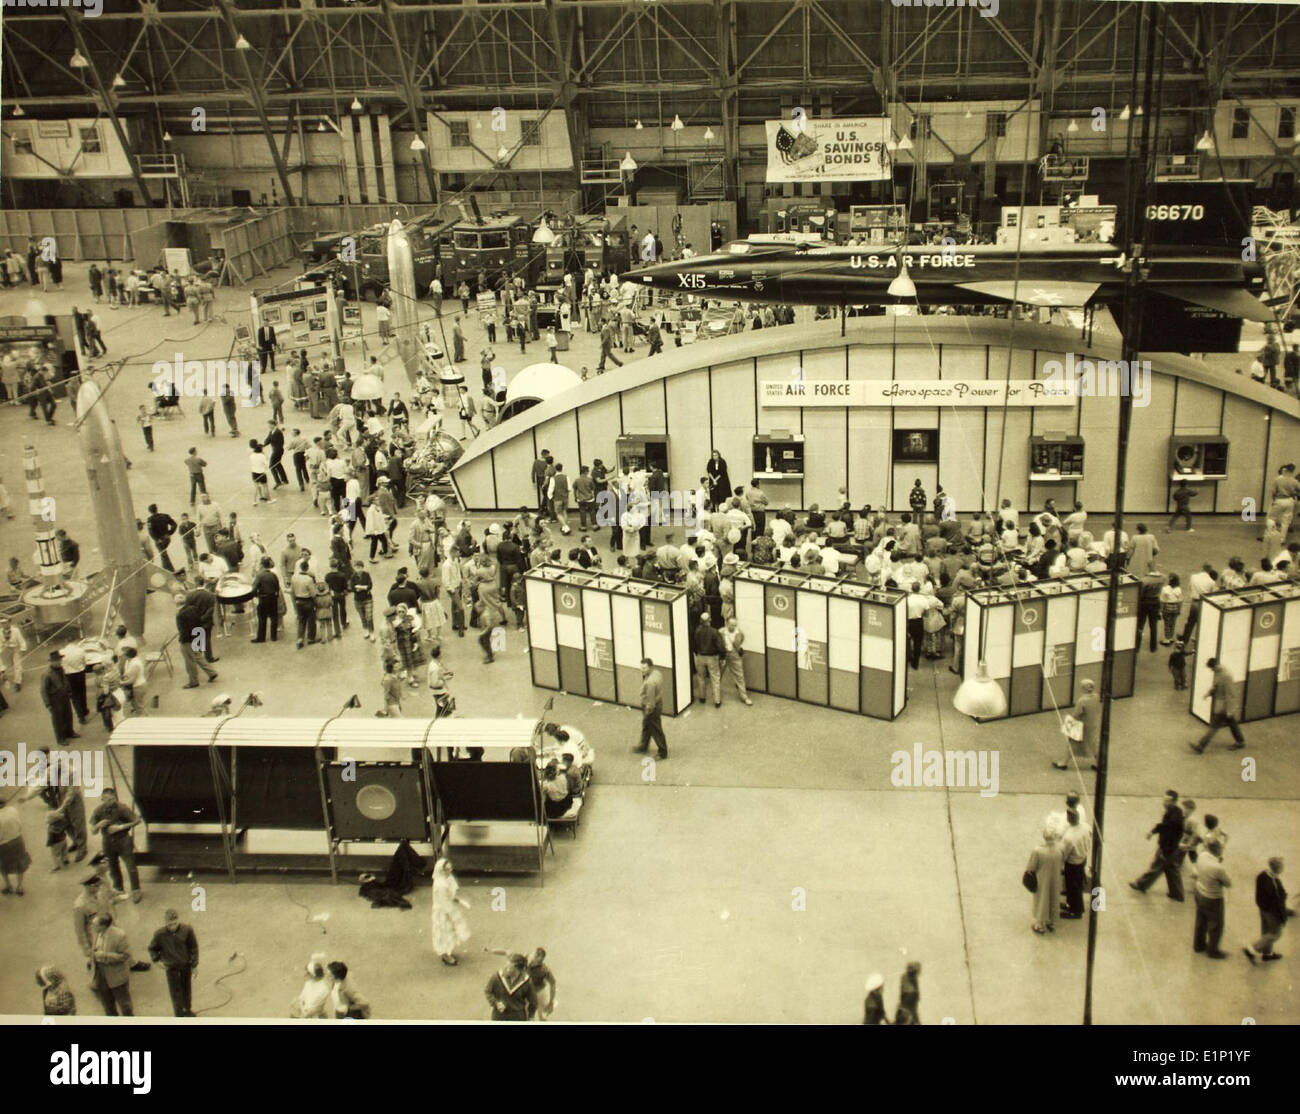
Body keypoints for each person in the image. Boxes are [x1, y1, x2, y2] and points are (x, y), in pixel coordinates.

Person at [1130, 789, 1186, 901]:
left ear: (1173, 801)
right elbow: (1164, 826)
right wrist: (1153, 832)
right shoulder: (1173, 812)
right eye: (1164, 800)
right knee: (1171, 870)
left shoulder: (1174, 817)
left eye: (1167, 801)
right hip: (1169, 848)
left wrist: (1165, 849)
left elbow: (1169, 833)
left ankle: (1141, 884)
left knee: (1157, 867)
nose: (1164, 802)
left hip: (1168, 848)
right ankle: (1176, 894)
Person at [89, 787, 143, 902]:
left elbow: (137, 820)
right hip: (107, 842)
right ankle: (119, 889)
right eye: (108, 799)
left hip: (123, 840)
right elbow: (93, 831)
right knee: (113, 867)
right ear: (102, 799)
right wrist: (99, 825)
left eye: (113, 799)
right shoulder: (98, 811)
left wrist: (120, 827)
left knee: (130, 866)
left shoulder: (122, 808)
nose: (111, 802)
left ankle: (136, 890)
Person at [149, 908, 199, 1017]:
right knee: (175, 992)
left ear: (178, 920)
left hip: (185, 965)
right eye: (169, 924)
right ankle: (179, 1014)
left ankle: (187, 1010)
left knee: (187, 988)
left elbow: (193, 948)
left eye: (175, 923)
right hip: (171, 968)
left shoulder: (187, 930)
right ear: (165, 923)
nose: (172, 927)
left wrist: (194, 965)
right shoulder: (159, 934)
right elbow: (152, 948)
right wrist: (156, 960)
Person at [1191, 658, 1245, 754]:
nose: (1211, 671)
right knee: (1232, 723)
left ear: (1215, 666)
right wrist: (1209, 693)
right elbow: (1216, 686)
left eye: (1212, 669)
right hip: (1222, 705)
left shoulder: (1225, 675)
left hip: (1224, 706)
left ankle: (1201, 746)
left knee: (1214, 726)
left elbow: (1229, 694)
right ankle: (1240, 741)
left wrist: (1229, 710)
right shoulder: (1219, 673)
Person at [1243, 857, 1291, 964]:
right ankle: (1251, 949)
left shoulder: (1263, 875)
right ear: (1278, 868)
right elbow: (1279, 903)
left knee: (1266, 932)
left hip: (1263, 909)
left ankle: (1267, 954)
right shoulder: (1274, 884)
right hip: (1273, 912)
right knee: (1275, 934)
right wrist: (1283, 917)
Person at [89, 913, 134, 1015]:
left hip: (117, 977)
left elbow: (125, 956)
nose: (92, 926)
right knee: (108, 1007)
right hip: (101, 977)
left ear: (103, 926)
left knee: (125, 1007)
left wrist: (104, 955)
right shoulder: (96, 933)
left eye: (95, 924)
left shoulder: (119, 935)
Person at [1193, 838, 1231, 958]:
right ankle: (1213, 950)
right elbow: (1228, 883)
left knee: (1201, 920)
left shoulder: (1202, 855)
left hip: (1199, 891)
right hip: (1213, 898)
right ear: (1217, 849)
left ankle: (1198, 945)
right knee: (1216, 925)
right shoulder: (1218, 868)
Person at [431, 857, 471, 966]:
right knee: (443, 932)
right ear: (442, 870)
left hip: (447, 907)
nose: (450, 871)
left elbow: (450, 895)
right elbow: (444, 901)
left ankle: (447, 951)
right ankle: (445, 955)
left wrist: (458, 900)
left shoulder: (447, 878)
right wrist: (452, 915)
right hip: (443, 911)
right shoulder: (440, 884)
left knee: (450, 931)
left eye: (450, 868)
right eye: (447, 869)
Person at [1026, 825, 1063, 934]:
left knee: (1042, 900)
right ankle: (1051, 922)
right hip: (1055, 878)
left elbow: (1031, 867)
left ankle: (1040, 924)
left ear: (1044, 836)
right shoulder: (1059, 850)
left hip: (1042, 879)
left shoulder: (1038, 850)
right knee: (1053, 898)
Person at [41, 651, 79, 746]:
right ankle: (60, 738)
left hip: (64, 696)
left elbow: (65, 680)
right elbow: (43, 690)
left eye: (60, 660)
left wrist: (69, 691)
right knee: (58, 720)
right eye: (57, 660)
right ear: (51, 662)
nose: (59, 662)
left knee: (68, 715)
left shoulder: (61, 669)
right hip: (55, 699)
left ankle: (69, 732)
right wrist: (47, 704)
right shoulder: (47, 674)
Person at [1060, 807, 1091, 919]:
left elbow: (1064, 853)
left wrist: (1061, 865)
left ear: (1069, 818)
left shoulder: (1069, 837)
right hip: (1082, 859)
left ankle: (1076, 911)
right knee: (1076, 885)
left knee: (1073, 887)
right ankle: (1071, 905)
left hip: (1072, 864)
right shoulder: (1086, 827)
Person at [484, 954, 536, 1021]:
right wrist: (496, 1003)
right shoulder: (497, 977)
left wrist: (531, 1016)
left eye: (509, 967)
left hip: (518, 1017)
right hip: (499, 1016)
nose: (505, 969)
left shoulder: (527, 981)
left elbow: (533, 1002)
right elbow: (488, 991)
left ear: (517, 969)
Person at [635, 657, 668, 759]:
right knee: (646, 725)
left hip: (651, 707)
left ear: (650, 667)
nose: (642, 670)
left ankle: (662, 752)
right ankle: (643, 745)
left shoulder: (650, 682)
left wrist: (648, 710)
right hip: (658, 702)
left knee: (655, 729)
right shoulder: (657, 673)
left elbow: (650, 700)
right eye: (641, 667)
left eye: (644, 668)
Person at [0, 794, 31, 895]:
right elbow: (19, 824)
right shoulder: (13, 810)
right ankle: (20, 886)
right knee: (19, 865)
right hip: (17, 840)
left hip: (3, 844)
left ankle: (8, 885)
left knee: (3, 866)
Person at [692, 613, 724, 707]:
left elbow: (694, 644)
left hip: (700, 656)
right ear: (709, 620)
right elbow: (720, 646)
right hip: (712, 657)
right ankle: (717, 701)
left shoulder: (697, 631)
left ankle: (702, 697)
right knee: (715, 678)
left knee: (701, 677)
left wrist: (696, 653)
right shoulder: (714, 632)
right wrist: (722, 657)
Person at [721, 616, 753, 705]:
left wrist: (737, 648)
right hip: (723, 655)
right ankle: (716, 696)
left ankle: (744, 697)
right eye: (731, 625)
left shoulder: (739, 633)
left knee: (740, 676)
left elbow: (741, 640)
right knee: (718, 674)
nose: (733, 627)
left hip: (735, 655)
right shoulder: (721, 632)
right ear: (727, 624)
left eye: (735, 625)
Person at [291, 953, 332, 1018]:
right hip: (303, 1012)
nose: (305, 974)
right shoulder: (308, 983)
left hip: (316, 1018)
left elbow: (312, 1009)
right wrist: (297, 1001)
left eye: (307, 973)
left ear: (313, 975)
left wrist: (300, 1008)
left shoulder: (324, 988)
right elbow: (302, 997)